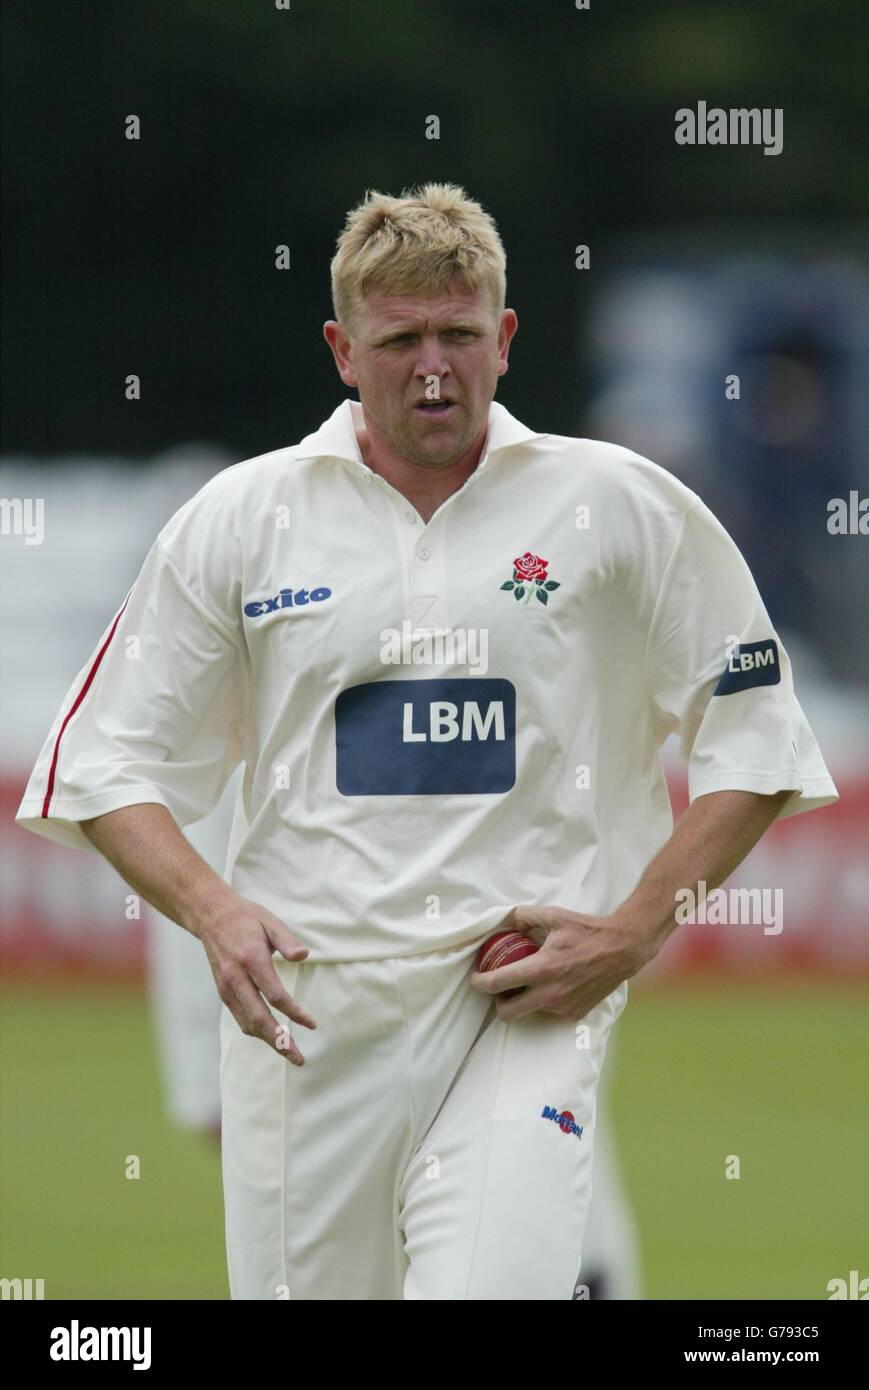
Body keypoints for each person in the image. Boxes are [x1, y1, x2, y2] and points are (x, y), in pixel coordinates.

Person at [15, 183, 838, 1300]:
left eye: (457, 334)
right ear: (341, 349)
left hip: (519, 1011)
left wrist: (633, 930)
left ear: (503, 338)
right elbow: (103, 762)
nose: (433, 368)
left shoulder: (617, 505)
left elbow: (756, 739)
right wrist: (214, 913)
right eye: (399, 340)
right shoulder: (242, 518)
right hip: (308, 1031)